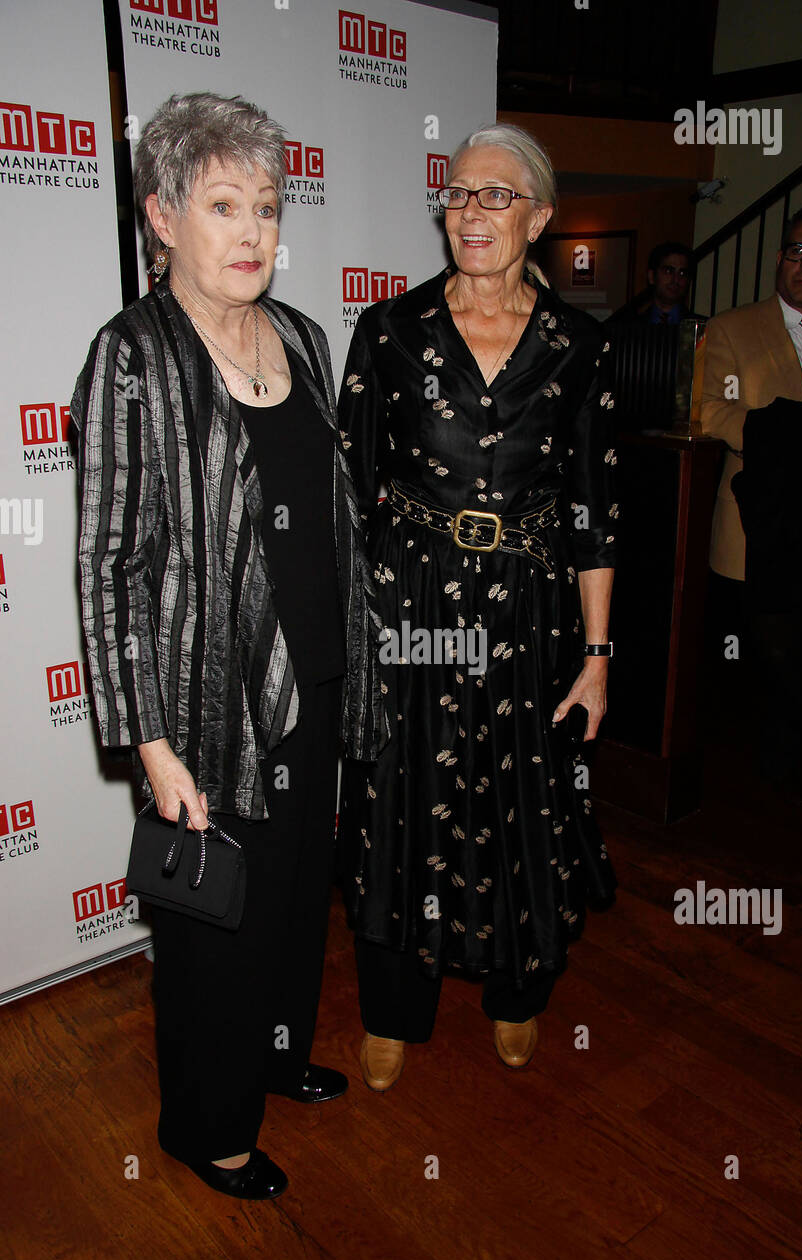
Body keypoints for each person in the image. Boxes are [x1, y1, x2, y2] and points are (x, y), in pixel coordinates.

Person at [72, 93, 387, 1199]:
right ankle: (207, 1127)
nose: (253, 230)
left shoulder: (301, 333)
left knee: (300, 900)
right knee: (217, 932)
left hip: (317, 681)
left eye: (265, 204)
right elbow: (109, 566)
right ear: (161, 216)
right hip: (209, 708)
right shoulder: (131, 358)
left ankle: (275, 1054)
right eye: (222, 205)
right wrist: (151, 747)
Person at [337, 122, 617, 1092]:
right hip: (411, 602)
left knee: (520, 804)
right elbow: (349, 492)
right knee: (399, 800)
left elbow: (592, 508)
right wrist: (356, 628)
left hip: (529, 613)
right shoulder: (389, 331)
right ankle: (392, 1009)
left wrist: (596, 651)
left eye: (498, 196)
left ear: (538, 219)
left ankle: (514, 994)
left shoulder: (576, 345)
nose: (472, 211)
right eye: (459, 194)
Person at [701, 203, 802, 803]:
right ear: (778, 257)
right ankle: (800, 761)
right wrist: (791, 435)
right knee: (773, 652)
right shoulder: (731, 328)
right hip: (762, 523)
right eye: (797, 250)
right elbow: (710, 412)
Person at [607, 241, 705, 326]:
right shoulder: (630, 326)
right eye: (668, 271)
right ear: (651, 276)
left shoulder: (702, 327)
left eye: (682, 273)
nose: (676, 279)